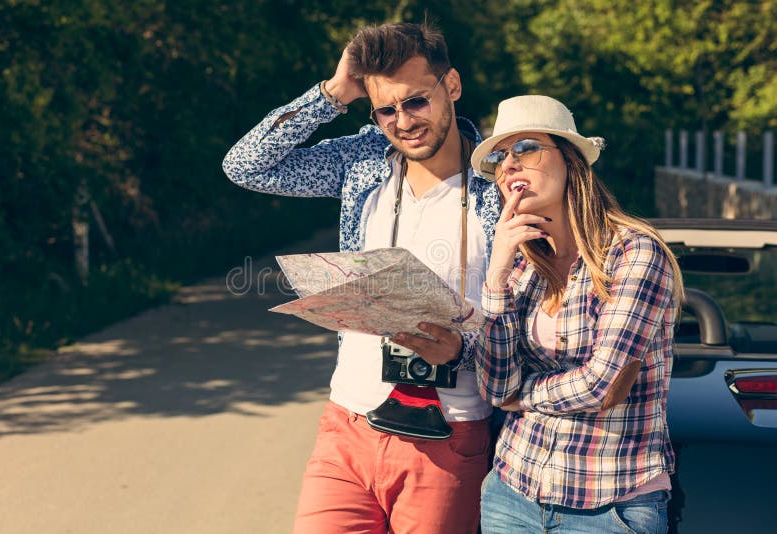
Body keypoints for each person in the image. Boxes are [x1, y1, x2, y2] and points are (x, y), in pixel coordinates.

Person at [222, 22, 501, 534]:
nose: (404, 122)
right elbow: (246, 166)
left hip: (450, 432)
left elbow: (529, 321)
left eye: (416, 101)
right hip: (349, 421)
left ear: (452, 85)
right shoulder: (364, 162)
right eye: (386, 110)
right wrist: (333, 93)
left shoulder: (501, 186)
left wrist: (462, 352)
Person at [471, 95, 683, 534]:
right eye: (499, 157)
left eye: (525, 148)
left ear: (571, 161)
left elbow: (602, 385)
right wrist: (496, 275)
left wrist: (523, 396)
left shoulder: (633, 253)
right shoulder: (521, 267)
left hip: (609, 504)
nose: (508, 164)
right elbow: (494, 387)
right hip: (511, 493)